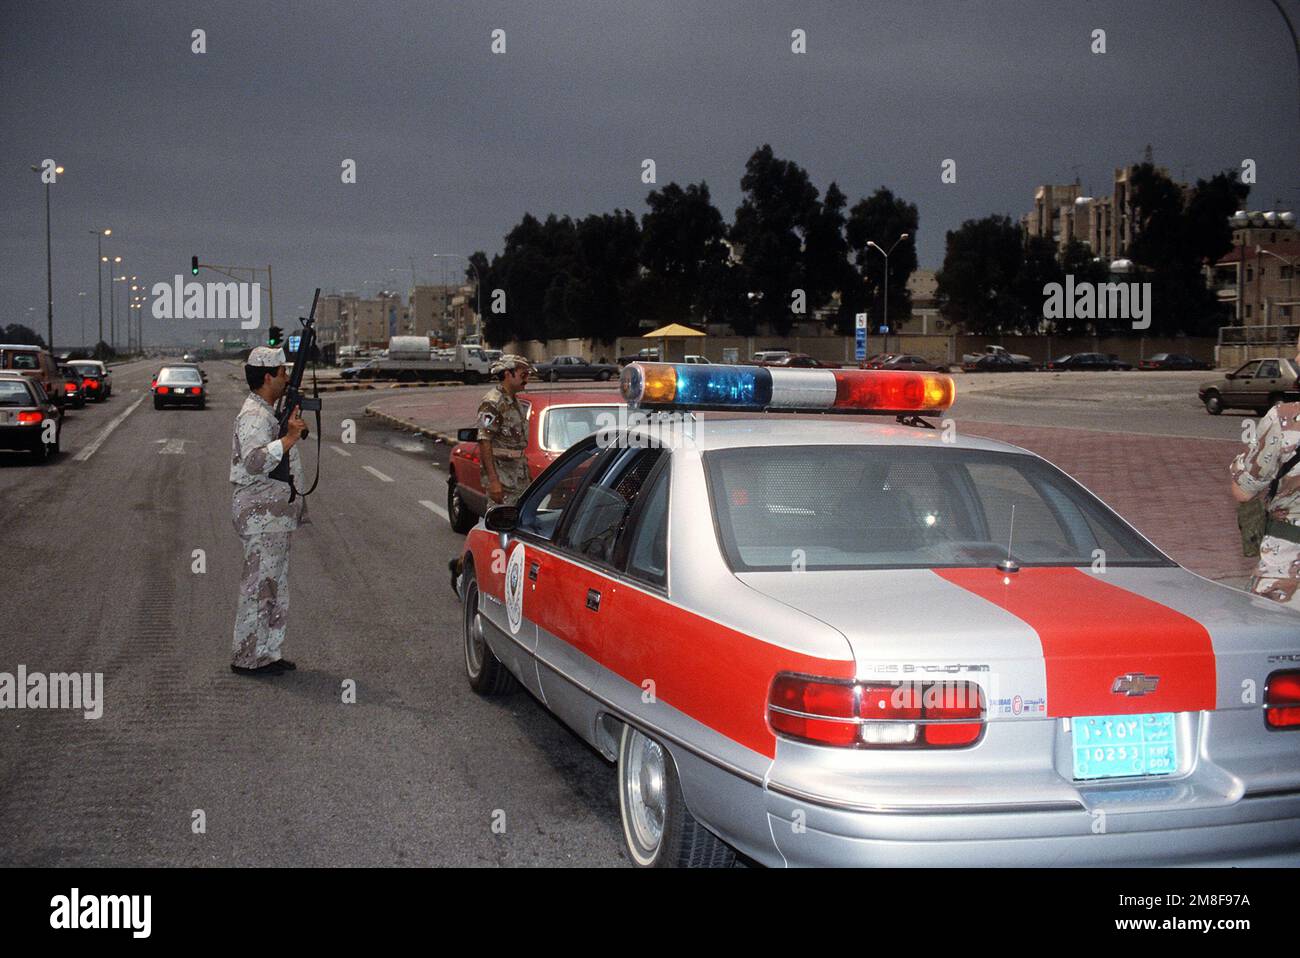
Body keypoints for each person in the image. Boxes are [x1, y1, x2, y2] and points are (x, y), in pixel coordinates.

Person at [230, 346, 309, 675]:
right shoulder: (253, 415)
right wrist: (289, 439)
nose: (287, 378)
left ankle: (268, 652)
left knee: (274, 585)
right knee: (258, 586)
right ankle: (248, 657)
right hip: (261, 515)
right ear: (267, 377)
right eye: (281, 372)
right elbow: (254, 460)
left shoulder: (269, 412)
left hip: (274, 516)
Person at [448, 354, 534, 594]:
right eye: (523, 373)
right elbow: (484, 441)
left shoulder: (514, 401)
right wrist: (494, 481)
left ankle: (465, 564)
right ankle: (472, 574)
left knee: (505, 528)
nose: (527, 379)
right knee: (497, 530)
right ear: (508, 374)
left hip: (518, 474)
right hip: (502, 477)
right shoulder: (492, 402)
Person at [1230, 377, 1300, 607]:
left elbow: (1243, 491)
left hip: (1287, 570)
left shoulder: (1283, 418)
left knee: (1271, 636)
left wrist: (1240, 463)